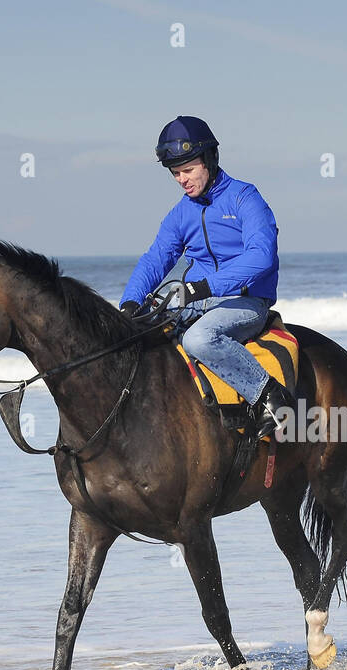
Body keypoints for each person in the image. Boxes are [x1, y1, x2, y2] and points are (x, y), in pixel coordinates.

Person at [120, 116, 292, 438]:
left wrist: (202, 287)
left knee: (197, 339)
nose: (182, 180)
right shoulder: (180, 213)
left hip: (245, 301)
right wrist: (130, 302)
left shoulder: (245, 198)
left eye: (187, 170)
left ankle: (272, 397)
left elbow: (262, 256)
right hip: (196, 300)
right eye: (175, 173)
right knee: (137, 332)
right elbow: (156, 258)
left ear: (209, 159)